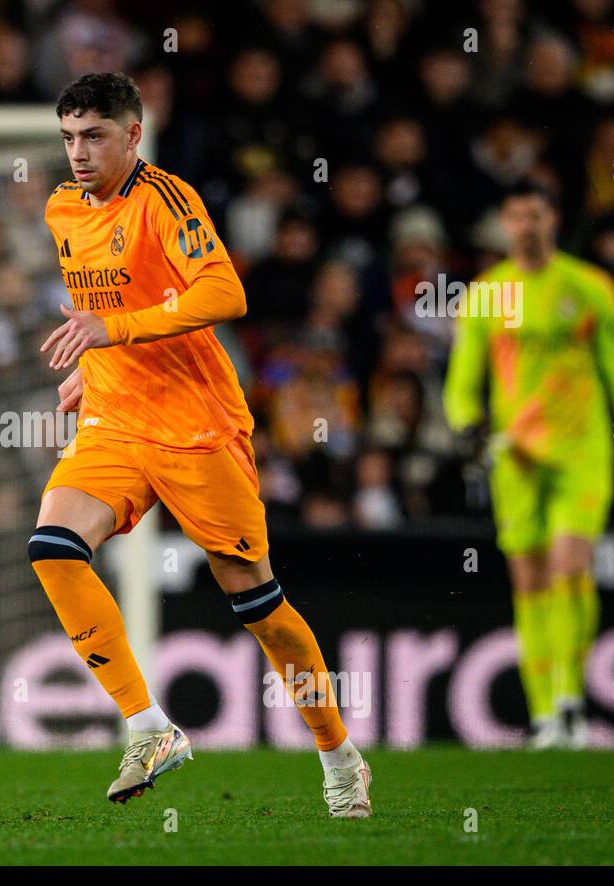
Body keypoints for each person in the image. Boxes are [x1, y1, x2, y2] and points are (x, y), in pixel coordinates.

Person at [31, 72, 371, 816]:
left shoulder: (166, 199)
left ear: (132, 134)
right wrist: (93, 370)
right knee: (54, 547)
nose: (78, 152)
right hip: (116, 421)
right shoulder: (61, 209)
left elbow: (224, 292)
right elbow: (105, 307)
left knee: (263, 610)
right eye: (68, 137)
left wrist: (110, 332)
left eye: (93, 136)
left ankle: (339, 753)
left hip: (196, 427)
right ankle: (148, 726)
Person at [444, 181, 614, 749]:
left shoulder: (589, 287)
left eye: (535, 215)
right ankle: (545, 715)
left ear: (554, 219)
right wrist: (466, 422)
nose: (526, 227)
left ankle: (570, 700)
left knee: (570, 567)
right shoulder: (488, 294)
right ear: (504, 224)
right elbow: (465, 375)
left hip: (583, 450)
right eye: (516, 217)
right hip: (515, 456)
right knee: (529, 580)